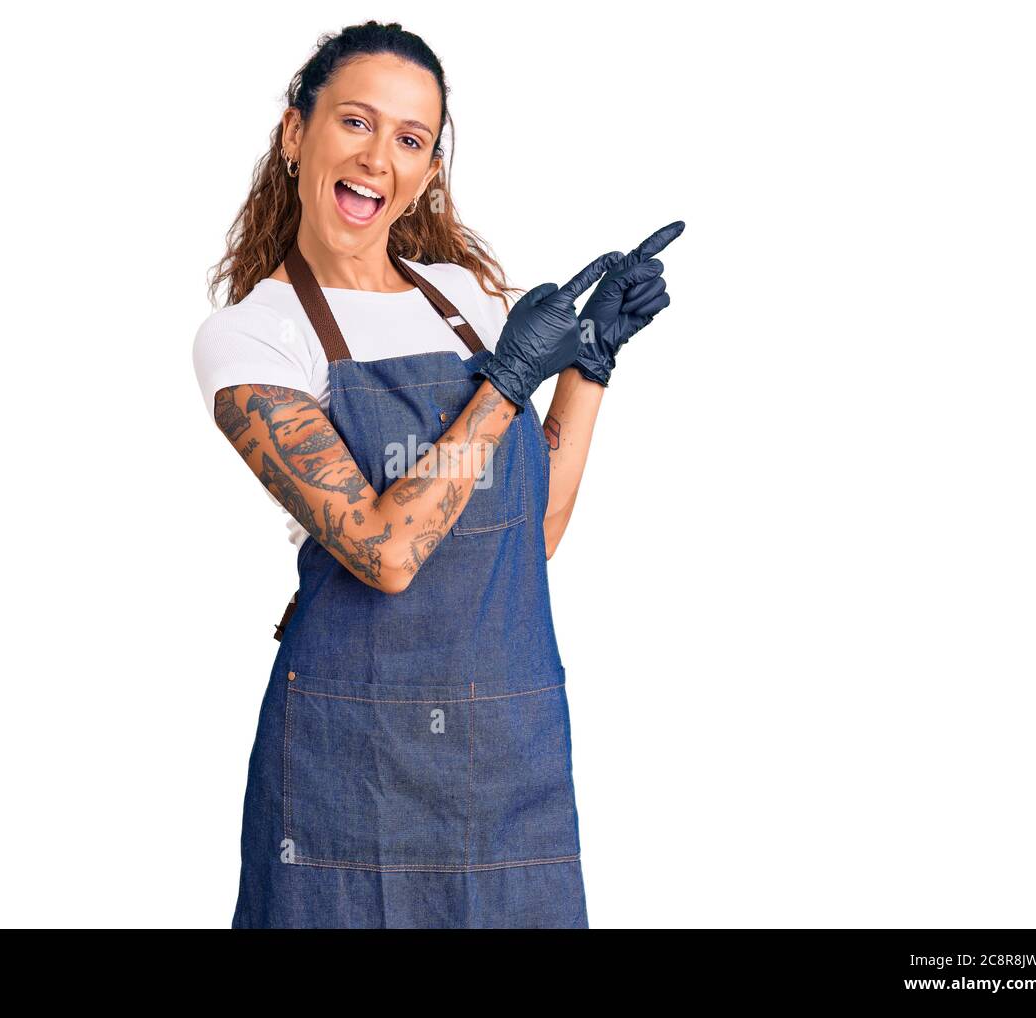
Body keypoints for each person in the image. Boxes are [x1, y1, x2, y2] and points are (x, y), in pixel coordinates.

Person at [192, 20, 682, 928]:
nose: (379, 157)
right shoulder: (255, 337)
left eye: (410, 139)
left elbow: (527, 539)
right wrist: (503, 386)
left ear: (426, 171)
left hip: (505, 758)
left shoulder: (463, 300)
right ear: (297, 134)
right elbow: (386, 551)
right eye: (355, 122)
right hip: (350, 767)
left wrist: (590, 367)